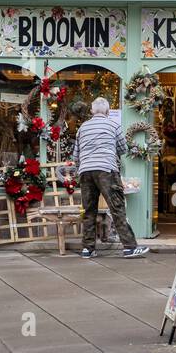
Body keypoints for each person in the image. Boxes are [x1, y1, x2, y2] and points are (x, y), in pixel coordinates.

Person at [70, 98, 148, 259]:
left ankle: (88, 248)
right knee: (117, 207)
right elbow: (123, 149)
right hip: (106, 170)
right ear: (107, 111)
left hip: (85, 171)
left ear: (92, 111)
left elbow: (75, 155)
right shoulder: (113, 125)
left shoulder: (83, 128)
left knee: (89, 210)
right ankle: (129, 247)